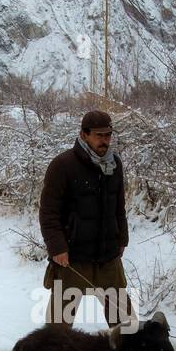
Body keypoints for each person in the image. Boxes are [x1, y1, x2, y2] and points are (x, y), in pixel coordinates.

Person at [38, 110, 132, 327]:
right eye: (99, 135)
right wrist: (57, 247)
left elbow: (119, 208)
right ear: (83, 134)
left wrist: (122, 239)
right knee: (58, 326)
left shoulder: (114, 164)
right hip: (72, 256)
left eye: (108, 135)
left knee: (125, 326)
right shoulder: (62, 165)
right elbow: (48, 212)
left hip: (107, 255)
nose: (104, 140)